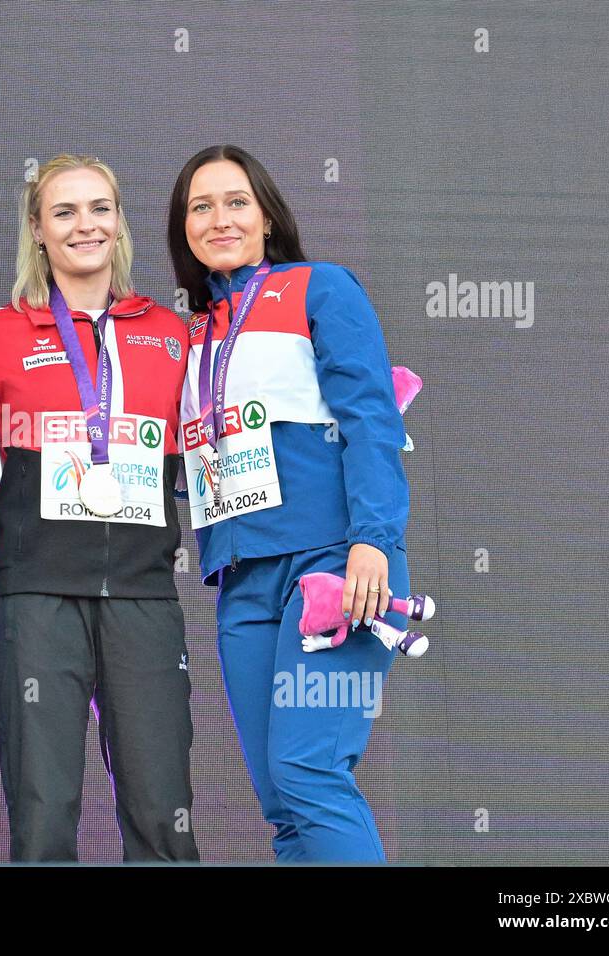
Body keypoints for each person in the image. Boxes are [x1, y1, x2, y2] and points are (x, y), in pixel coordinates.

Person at [167, 145, 411, 862]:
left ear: (267, 216)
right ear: (184, 228)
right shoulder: (191, 335)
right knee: (283, 806)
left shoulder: (319, 288)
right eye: (201, 207)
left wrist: (372, 541)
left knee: (309, 773)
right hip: (243, 583)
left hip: (332, 565)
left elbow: (371, 419)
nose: (220, 219)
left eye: (236, 202)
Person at [0, 154, 199, 862]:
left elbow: (214, 438)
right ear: (37, 229)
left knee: (164, 818)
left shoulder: (171, 333)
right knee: (42, 823)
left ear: (120, 222)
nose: (85, 225)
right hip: (37, 597)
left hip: (143, 597)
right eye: (64, 211)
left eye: (100, 208)